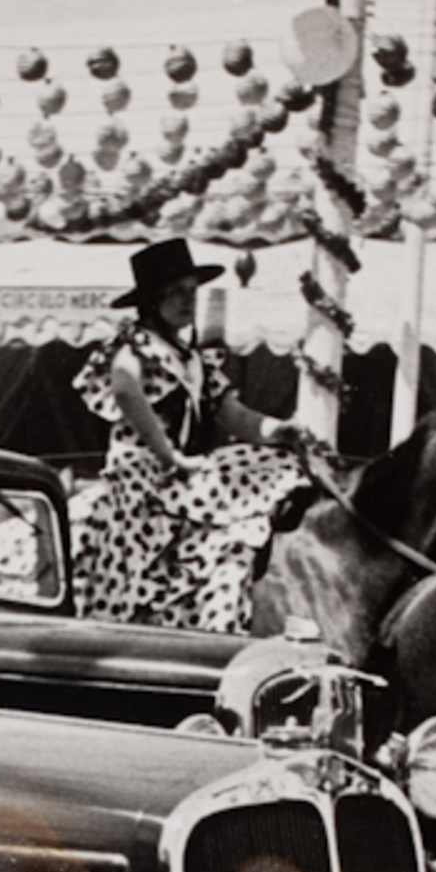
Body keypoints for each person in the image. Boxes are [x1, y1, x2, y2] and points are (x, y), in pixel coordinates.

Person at [71, 237, 306, 633]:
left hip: (182, 474)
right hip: (142, 475)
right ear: (152, 301)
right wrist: (168, 455)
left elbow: (235, 416)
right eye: (176, 293)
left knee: (273, 468)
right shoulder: (136, 345)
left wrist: (276, 430)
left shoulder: (193, 358)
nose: (187, 300)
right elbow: (126, 387)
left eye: (191, 292)